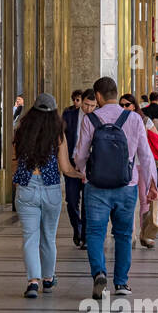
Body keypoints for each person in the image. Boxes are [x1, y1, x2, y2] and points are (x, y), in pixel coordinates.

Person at [73, 77, 158, 299]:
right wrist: (152, 183)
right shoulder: (133, 119)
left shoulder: (90, 119)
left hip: (96, 186)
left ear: (98, 96)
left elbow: (81, 153)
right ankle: (121, 282)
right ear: (115, 93)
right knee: (122, 233)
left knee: (94, 232)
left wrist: (82, 173)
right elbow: (145, 155)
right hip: (126, 185)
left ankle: (99, 273)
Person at [13, 93, 81, 298]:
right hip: (50, 188)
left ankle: (33, 282)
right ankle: (48, 279)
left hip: (26, 189)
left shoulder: (21, 131)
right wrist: (82, 175)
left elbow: (14, 162)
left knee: (30, 238)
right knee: (48, 238)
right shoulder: (58, 135)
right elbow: (66, 168)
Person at [61, 90, 89, 248]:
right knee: (71, 201)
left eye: (92, 105)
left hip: (89, 166)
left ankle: (84, 236)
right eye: (85, 104)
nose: (88, 108)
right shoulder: (69, 115)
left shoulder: (96, 117)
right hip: (71, 163)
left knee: (87, 203)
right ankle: (76, 227)